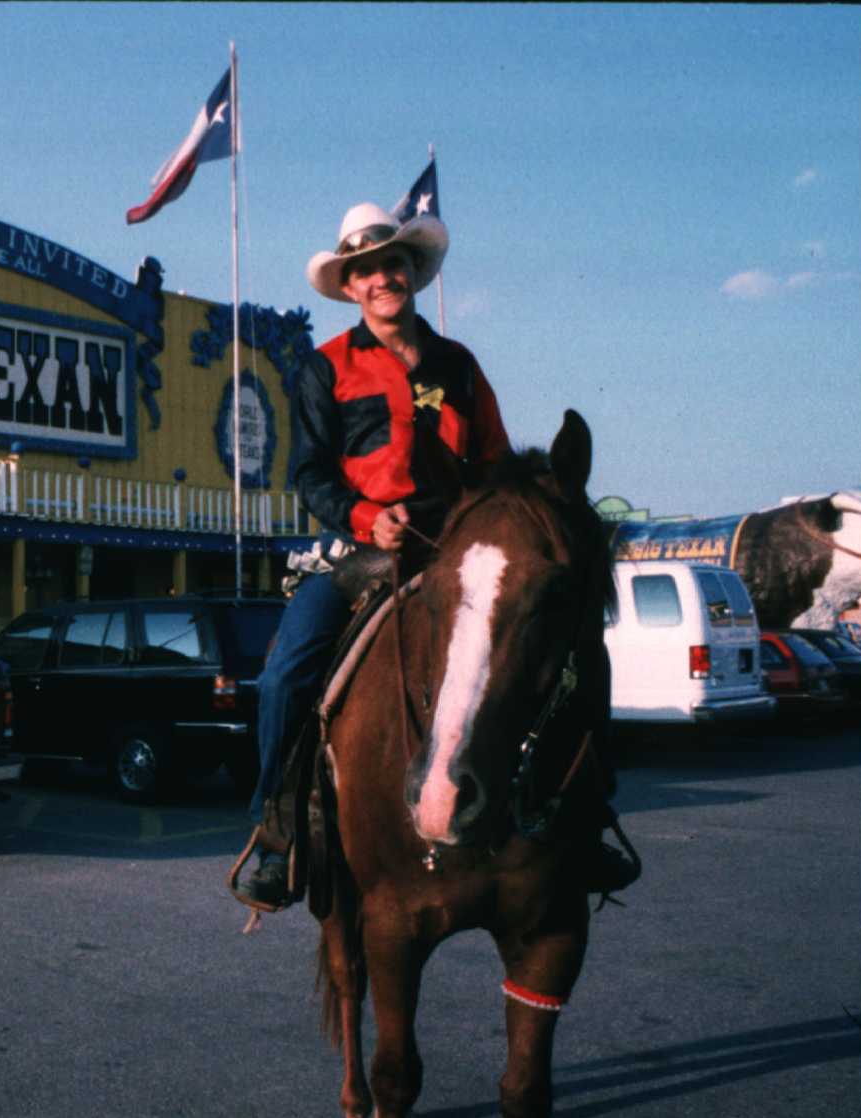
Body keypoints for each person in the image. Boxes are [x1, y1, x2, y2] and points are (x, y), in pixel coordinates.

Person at [234, 202, 634, 913]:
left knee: (576, 652)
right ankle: (276, 835)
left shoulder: (459, 365)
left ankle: (591, 814)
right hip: (364, 552)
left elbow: (494, 460)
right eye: (365, 271)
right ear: (350, 288)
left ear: (413, 272)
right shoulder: (324, 368)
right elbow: (309, 472)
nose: (383, 278)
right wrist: (366, 516)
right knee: (283, 677)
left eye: (394, 264)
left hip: (458, 549)